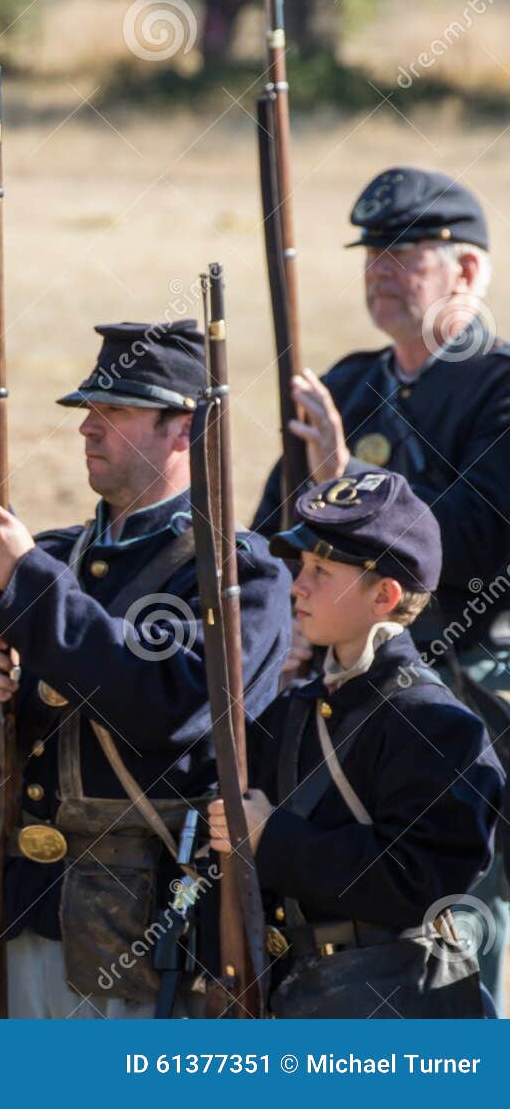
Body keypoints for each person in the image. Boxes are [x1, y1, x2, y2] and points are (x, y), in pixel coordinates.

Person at [0, 320, 292, 1018]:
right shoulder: (53, 558)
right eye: (90, 409)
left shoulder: (239, 577)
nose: (89, 427)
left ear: (185, 430)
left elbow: (168, 708)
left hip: (150, 927)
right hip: (21, 907)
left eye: (116, 410)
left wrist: (27, 581)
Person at [251, 167, 510, 1010]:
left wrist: (340, 472)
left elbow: (475, 543)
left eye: (406, 252)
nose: (381, 269)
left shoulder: (500, 385)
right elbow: (265, 542)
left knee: (456, 920)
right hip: (337, 696)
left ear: (467, 271)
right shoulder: (352, 380)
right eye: (373, 253)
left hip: (464, 689)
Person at [212, 469, 504, 1017]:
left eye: (321, 571)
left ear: (386, 594)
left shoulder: (440, 726)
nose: (296, 584)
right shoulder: (294, 709)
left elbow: (420, 881)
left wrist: (271, 837)